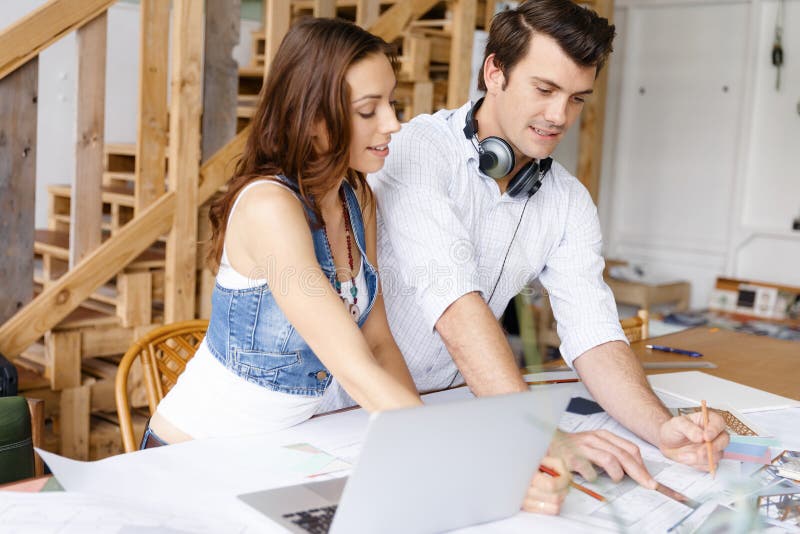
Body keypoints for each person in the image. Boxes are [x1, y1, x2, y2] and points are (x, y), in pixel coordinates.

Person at [143, 17, 570, 514]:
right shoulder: (269, 209)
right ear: (315, 118)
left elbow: (378, 340)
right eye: (369, 110)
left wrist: (424, 439)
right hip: (194, 456)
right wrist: (472, 464)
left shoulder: (354, 197)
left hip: (278, 453)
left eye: (390, 103)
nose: (392, 123)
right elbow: (353, 365)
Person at [318, 0, 730, 502]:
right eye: (545, 89)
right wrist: (537, 434)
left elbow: (594, 334)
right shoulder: (417, 152)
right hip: (349, 412)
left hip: (458, 408)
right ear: (495, 72)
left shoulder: (569, 201)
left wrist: (661, 427)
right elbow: (454, 307)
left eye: (577, 98)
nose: (559, 117)